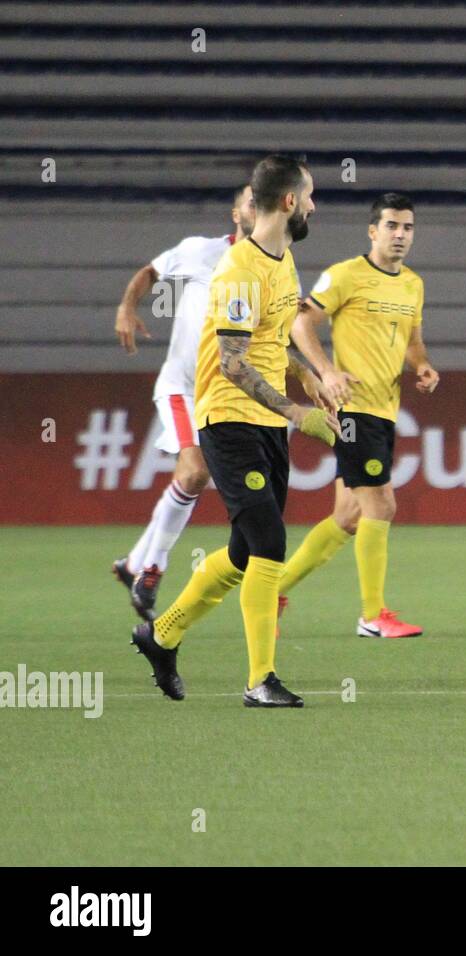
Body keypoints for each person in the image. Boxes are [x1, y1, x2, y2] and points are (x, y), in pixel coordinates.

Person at [130, 154, 340, 708]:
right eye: (311, 195)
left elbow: (271, 345)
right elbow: (233, 364)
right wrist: (298, 413)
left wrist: (306, 375)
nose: (316, 204)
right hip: (228, 421)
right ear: (290, 202)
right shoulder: (239, 271)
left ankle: (162, 634)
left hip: (267, 425)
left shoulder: (284, 261)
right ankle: (260, 681)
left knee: (247, 553)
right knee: (271, 542)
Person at [279, 192, 437, 637]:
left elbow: (412, 341)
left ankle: (273, 588)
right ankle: (372, 615)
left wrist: (422, 366)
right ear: (373, 231)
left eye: (407, 227)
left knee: (348, 517)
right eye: (391, 226)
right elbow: (298, 322)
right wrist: (325, 372)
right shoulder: (345, 275)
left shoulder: (412, 284)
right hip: (354, 411)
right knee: (381, 504)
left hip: (385, 411)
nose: (400, 234)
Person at [111, 185, 256, 619]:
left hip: (224, 393)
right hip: (183, 387)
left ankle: (134, 563)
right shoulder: (201, 251)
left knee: (192, 478)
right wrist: (126, 306)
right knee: (195, 472)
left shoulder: (274, 270)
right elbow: (150, 272)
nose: (256, 208)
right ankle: (152, 569)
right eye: (250, 201)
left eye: (261, 201)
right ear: (235, 213)